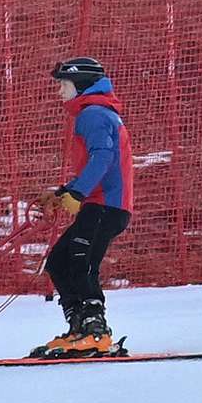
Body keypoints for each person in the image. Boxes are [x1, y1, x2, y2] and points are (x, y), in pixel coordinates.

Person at [33, 57, 133, 357]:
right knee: (60, 263)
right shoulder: (97, 113)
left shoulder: (93, 114)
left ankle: (96, 331)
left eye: (64, 85)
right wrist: (65, 191)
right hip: (99, 203)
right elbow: (99, 162)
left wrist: (76, 192)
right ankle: (79, 328)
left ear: (82, 85)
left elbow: (103, 158)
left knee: (80, 263)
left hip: (106, 206)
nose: (60, 91)